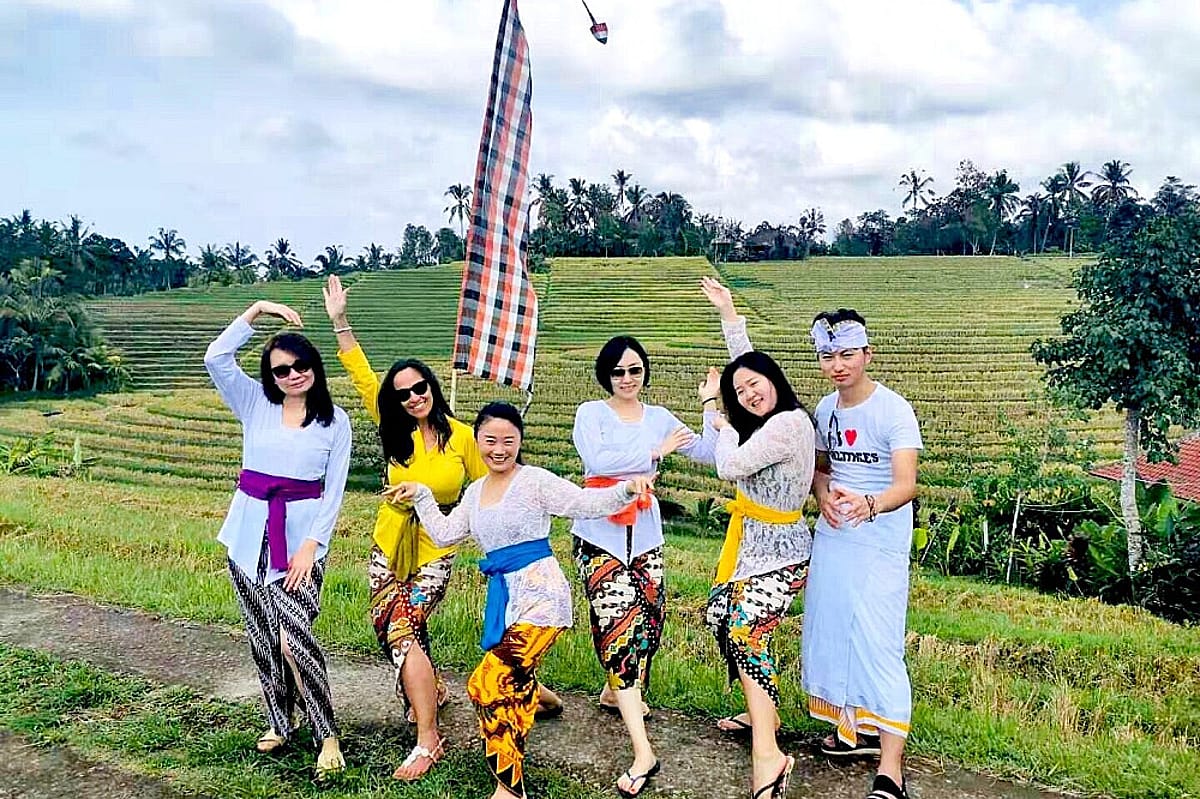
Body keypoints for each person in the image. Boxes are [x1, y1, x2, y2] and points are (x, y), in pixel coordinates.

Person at [323, 276, 556, 780]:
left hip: (436, 547)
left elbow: (498, 481)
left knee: (402, 630)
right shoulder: (393, 428)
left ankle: (428, 739)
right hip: (388, 543)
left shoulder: (466, 438)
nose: (412, 397)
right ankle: (441, 690)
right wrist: (340, 320)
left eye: (419, 387)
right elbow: (363, 376)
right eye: (402, 392)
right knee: (393, 626)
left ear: (432, 386)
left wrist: (516, 546)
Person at [387, 402, 655, 799]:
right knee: (511, 673)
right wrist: (423, 495)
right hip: (507, 600)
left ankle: (509, 789)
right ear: (477, 440)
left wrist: (626, 490)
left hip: (543, 598)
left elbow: (584, 503)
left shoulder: (534, 481)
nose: (499, 449)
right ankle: (543, 701)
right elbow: (444, 534)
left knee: (489, 682)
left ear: (520, 442)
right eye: (490, 440)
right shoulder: (476, 492)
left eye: (508, 441)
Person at [203, 300, 350, 778]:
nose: (292, 375)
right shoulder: (255, 404)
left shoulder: (335, 421)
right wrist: (256, 311)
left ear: (315, 366)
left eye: (300, 365)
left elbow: (333, 491)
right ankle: (279, 720)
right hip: (248, 534)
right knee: (262, 635)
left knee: (294, 639)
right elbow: (215, 359)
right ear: (271, 376)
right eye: (281, 369)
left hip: (299, 543)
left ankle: (326, 734)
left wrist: (313, 545)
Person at [571, 335, 717, 797]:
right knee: (619, 631)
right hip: (599, 534)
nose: (627, 379)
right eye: (618, 372)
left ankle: (615, 691)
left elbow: (710, 453)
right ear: (605, 376)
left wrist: (711, 403)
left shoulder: (660, 418)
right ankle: (643, 752)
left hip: (646, 535)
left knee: (651, 622)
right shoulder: (590, 414)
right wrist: (655, 454)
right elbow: (598, 460)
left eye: (635, 370)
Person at [698, 277, 815, 799]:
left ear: (777, 380)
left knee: (747, 634)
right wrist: (729, 316)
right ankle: (757, 712)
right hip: (751, 545)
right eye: (740, 392)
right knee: (728, 622)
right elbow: (745, 366)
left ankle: (769, 754)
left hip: (782, 552)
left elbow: (731, 465)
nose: (749, 393)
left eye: (756, 385)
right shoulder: (764, 413)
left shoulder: (788, 424)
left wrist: (715, 417)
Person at [802, 308, 922, 799]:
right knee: (831, 634)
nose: (838, 364)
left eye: (847, 354)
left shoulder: (894, 410)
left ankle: (891, 770)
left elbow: (907, 485)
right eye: (828, 355)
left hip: (880, 541)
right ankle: (853, 731)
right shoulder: (824, 410)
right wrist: (824, 494)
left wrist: (869, 504)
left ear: (867, 354)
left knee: (878, 644)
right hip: (835, 537)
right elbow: (820, 468)